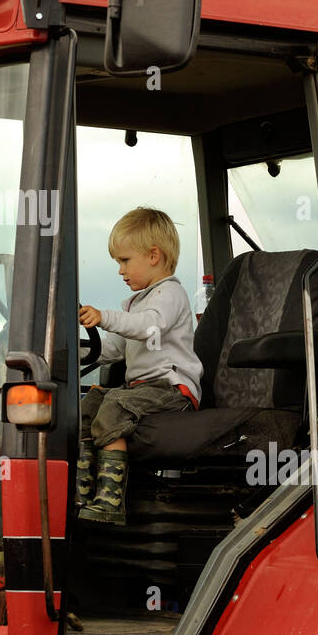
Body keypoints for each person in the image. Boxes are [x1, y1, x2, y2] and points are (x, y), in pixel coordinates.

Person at [76, 208, 204, 525]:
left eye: (124, 260)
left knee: (116, 403)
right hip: (143, 391)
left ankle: (110, 500)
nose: (120, 270)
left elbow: (148, 327)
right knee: (89, 402)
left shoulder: (169, 294)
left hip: (172, 390)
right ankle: (81, 489)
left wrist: (104, 317)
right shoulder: (136, 304)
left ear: (153, 255)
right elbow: (112, 349)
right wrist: (71, 350)